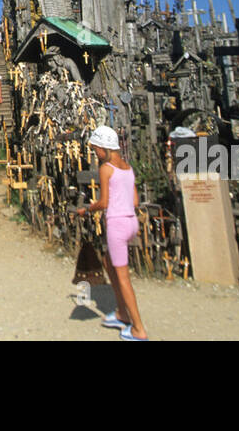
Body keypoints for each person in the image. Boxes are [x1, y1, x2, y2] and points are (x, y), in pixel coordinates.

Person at [76, 125, 148, 340]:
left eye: (96, 149)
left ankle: (138, 329)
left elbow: (105, 201)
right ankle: (122, 313)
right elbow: (134, 200)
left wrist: (87, 209)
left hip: (117, 225)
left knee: (123, 278)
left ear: (103, 148)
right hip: (131, 222)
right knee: (108, 263)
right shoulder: (127, 167)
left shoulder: (106, 168)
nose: (95, 153)